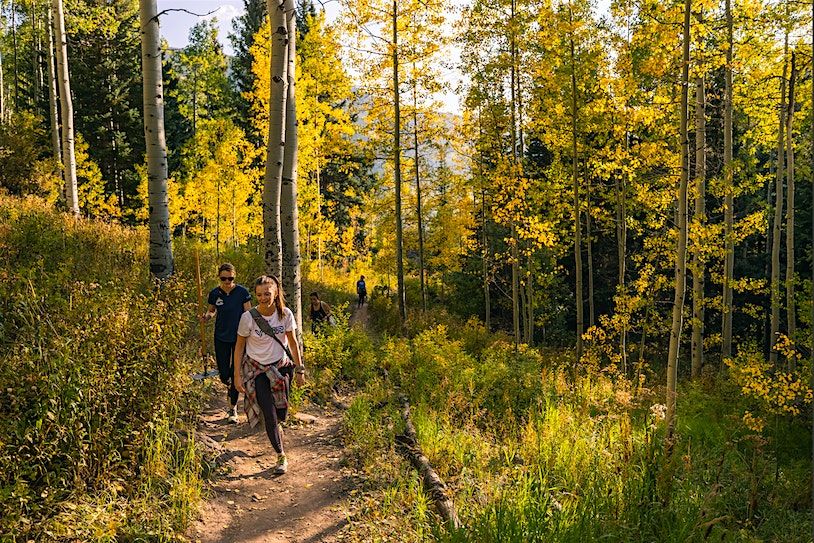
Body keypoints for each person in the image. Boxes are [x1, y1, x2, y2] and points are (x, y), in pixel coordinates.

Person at [234, 275, 305, 475]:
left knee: (282, 412)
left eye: (267, 293)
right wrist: (237, 376)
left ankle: (277, 428)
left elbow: (292, 343)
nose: (263, 298)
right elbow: (239, 347)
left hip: (281, 368)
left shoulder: (285, 315)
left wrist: (299, 370)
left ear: (275, 293)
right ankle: (280, 454)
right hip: (258, 370)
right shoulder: (248, 318)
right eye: (259, 295)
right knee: (269, 413)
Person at [200, 263, 252, 424]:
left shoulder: (242, 292)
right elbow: (211, 310)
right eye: (224, 278)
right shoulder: (215, 293)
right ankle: (229, 385)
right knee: (224, 374)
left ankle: (233, 409)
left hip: (239, 337)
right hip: (221, 336)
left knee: (235, 371)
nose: (227, 281)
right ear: (219, 278)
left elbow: (249, 313)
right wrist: (206, 317)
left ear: (234, 277)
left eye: (230, 278)